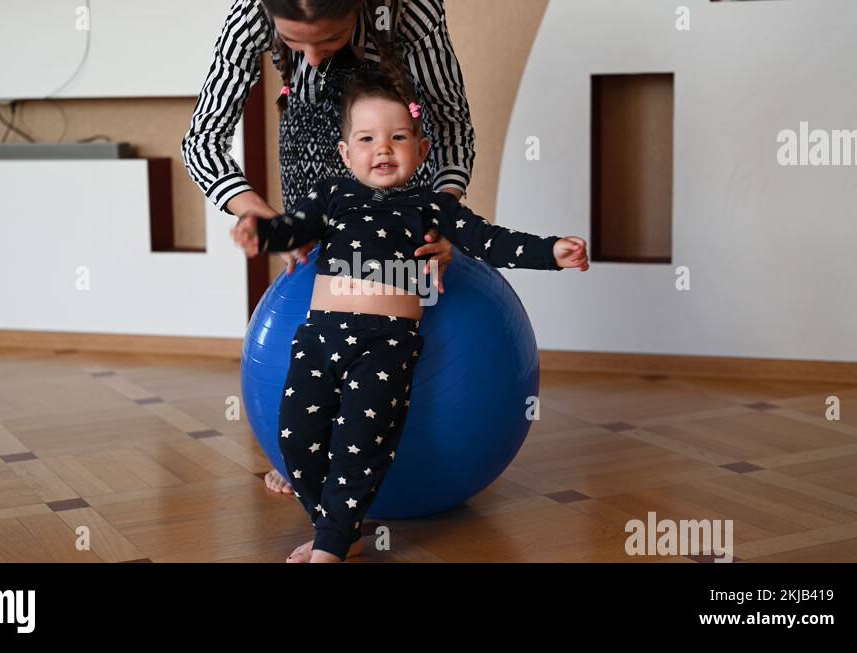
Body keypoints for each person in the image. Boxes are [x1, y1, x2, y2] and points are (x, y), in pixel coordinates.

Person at [230, 69, 589, 562]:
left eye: (398, 137)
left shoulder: (431, 206)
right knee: (295, 437)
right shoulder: (332, 196)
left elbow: (489, 241)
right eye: (367, 138)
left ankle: (332, 546)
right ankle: (335, 526)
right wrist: (261, 234)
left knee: (360, 442)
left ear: (421, 151)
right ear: (345, 152)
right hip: (318, 337)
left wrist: (551, 252)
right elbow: (295, 228)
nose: (383, 148)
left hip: (385, 345)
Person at [182, 0, 481, 495]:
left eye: (329, 38)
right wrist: (260, 213)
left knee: (382, 351)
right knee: (319, 338)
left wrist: (440, 215)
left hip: (396, 198)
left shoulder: (413, 10)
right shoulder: (250, 13)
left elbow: (449, 122)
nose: (312, 58)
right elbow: (203, 140)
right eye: (295, 43)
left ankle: (366, 474)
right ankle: (308, 461)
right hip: (312, 174)